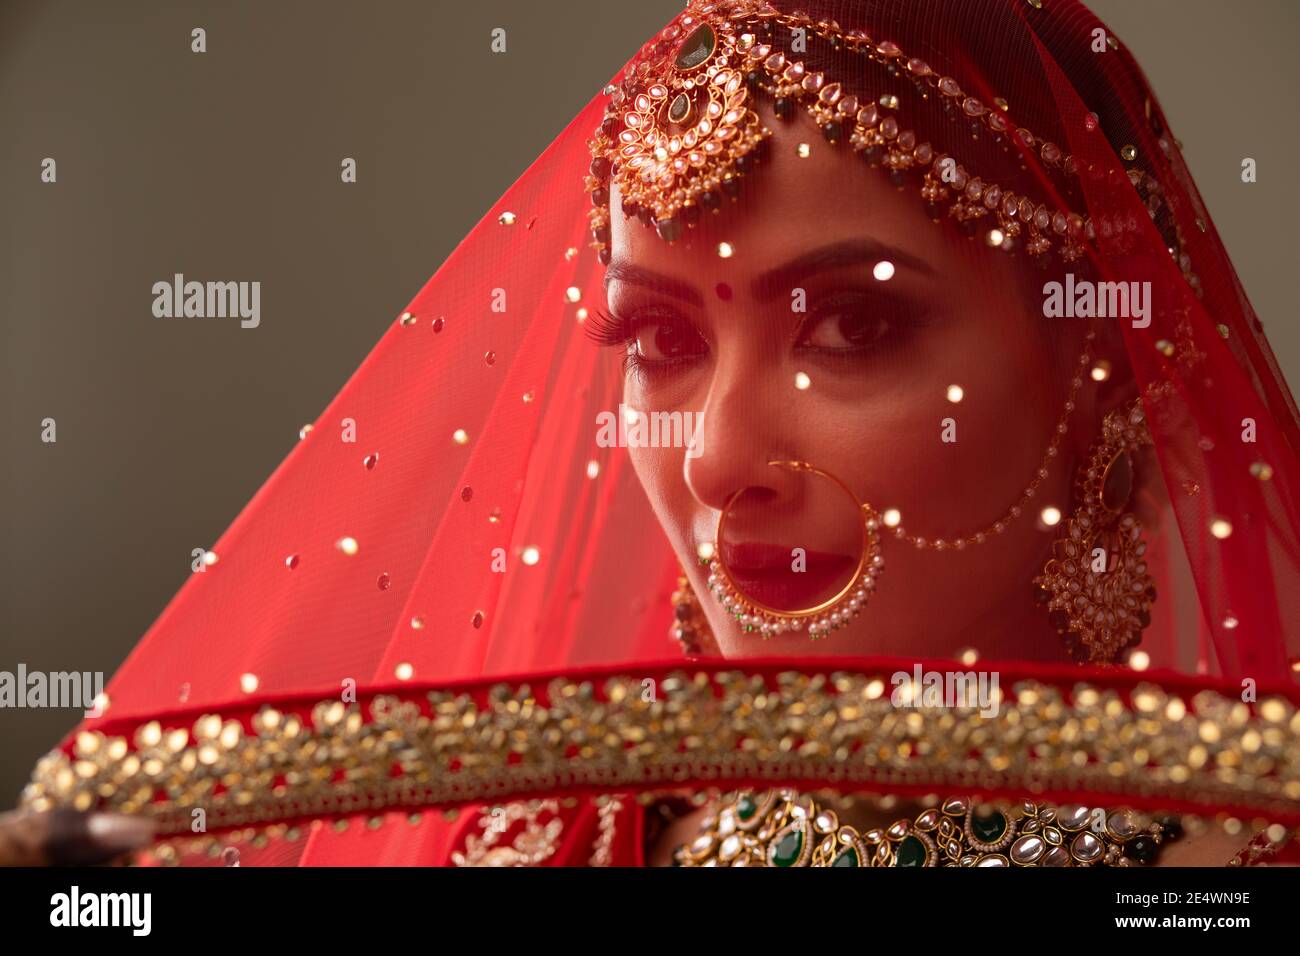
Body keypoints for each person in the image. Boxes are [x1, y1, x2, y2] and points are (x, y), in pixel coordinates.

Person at [8, 0, 1299, 867]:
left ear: (1105, 368)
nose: (720, 462)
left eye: (851, 328)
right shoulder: (546, 846)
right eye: (666, 344)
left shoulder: (1236, 854)